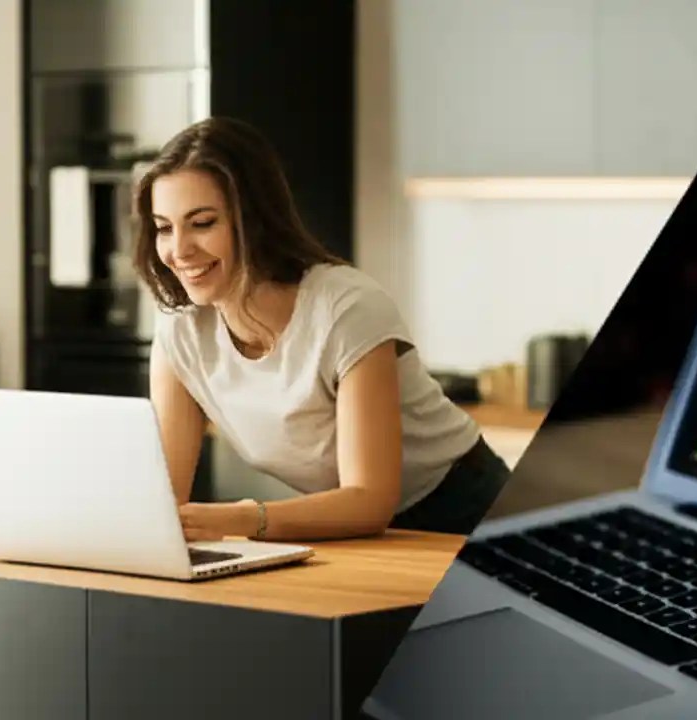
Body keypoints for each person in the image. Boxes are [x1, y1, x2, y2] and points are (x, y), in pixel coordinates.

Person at [132, 116, 511, 541]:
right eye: (164, 228)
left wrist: (243, 519)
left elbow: (369, 500)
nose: (179, 250)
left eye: (202, 223)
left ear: (254, 220)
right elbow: (163, 498)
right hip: (350, 527)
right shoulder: (181, 331)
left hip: (469, 507)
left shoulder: (346, 309)